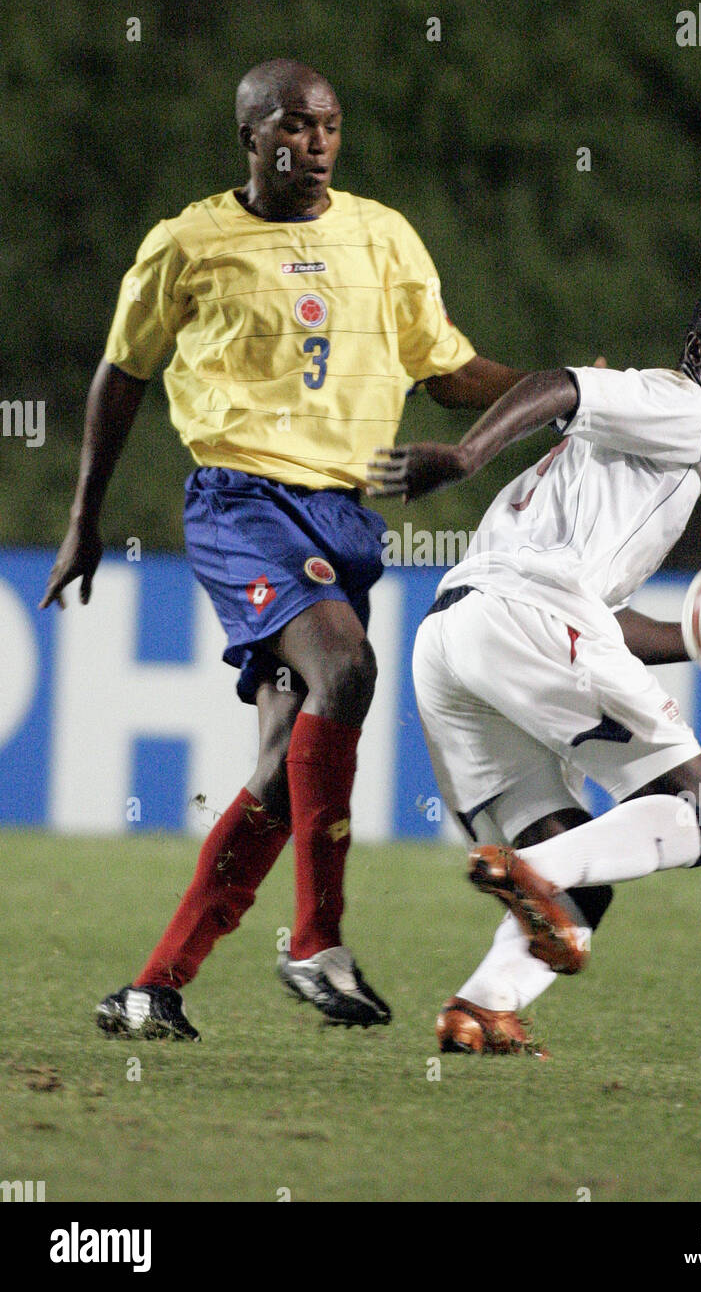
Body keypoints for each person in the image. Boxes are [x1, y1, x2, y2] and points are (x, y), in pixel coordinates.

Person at [40, 57, 541, 1039]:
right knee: (345, 667)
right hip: (242, 504)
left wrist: (558, 391)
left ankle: (152, 987)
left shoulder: (380, 234)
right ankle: (317, 936)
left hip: (346, 517)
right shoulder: (188, 243)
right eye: (292, 126)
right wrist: (82, 515)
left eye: (328, 126)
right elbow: (121, 373)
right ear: (250, 137)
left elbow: (446, 371)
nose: (313, 145)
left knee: (280, 770)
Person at [368, 286, 701, 1055]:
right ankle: (532, 872)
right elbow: (565, 382)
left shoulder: (623, 462)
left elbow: (604, 624)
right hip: (524, 618)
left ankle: (480, 1010)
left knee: (586, 874)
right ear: (698, 354)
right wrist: (463, 455)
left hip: (455, 634)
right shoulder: (682, 408)